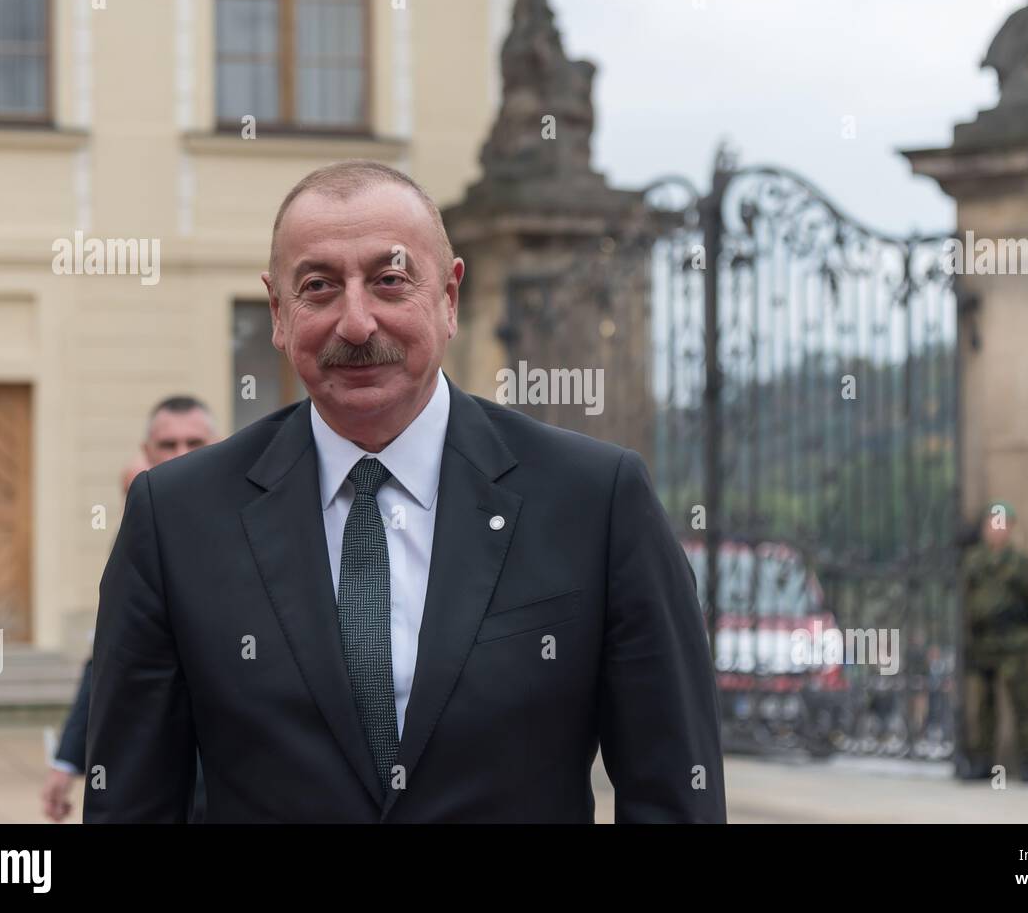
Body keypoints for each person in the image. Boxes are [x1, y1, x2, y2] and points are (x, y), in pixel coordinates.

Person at [84, 160, 727, 823]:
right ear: (278, 312)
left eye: (389, 281)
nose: (356, 322)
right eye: (319, 286)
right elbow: (130, 804)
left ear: (449, 298)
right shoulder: (176, 518)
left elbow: (675, 795)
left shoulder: (596, 501)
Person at [41, 396, 218, 822]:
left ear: (217, 446)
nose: (181, 456)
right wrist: (68, 761)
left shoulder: (250, 519)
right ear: (145, 452)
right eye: (168, 445)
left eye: (194, 443)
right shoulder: (137, 533)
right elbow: (111, 656)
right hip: (158, 779)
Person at [960, 501, 1028, 783]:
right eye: (990, 524)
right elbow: (966, 600)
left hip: (1013, 644)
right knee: (984, 705)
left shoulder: (1021, 564)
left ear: (1009, 528)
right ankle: (983, 761)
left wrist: (1016, 623)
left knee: (1021, 702)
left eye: (1000, 524)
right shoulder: (973, 561)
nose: (995, 530)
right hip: (983, 643)